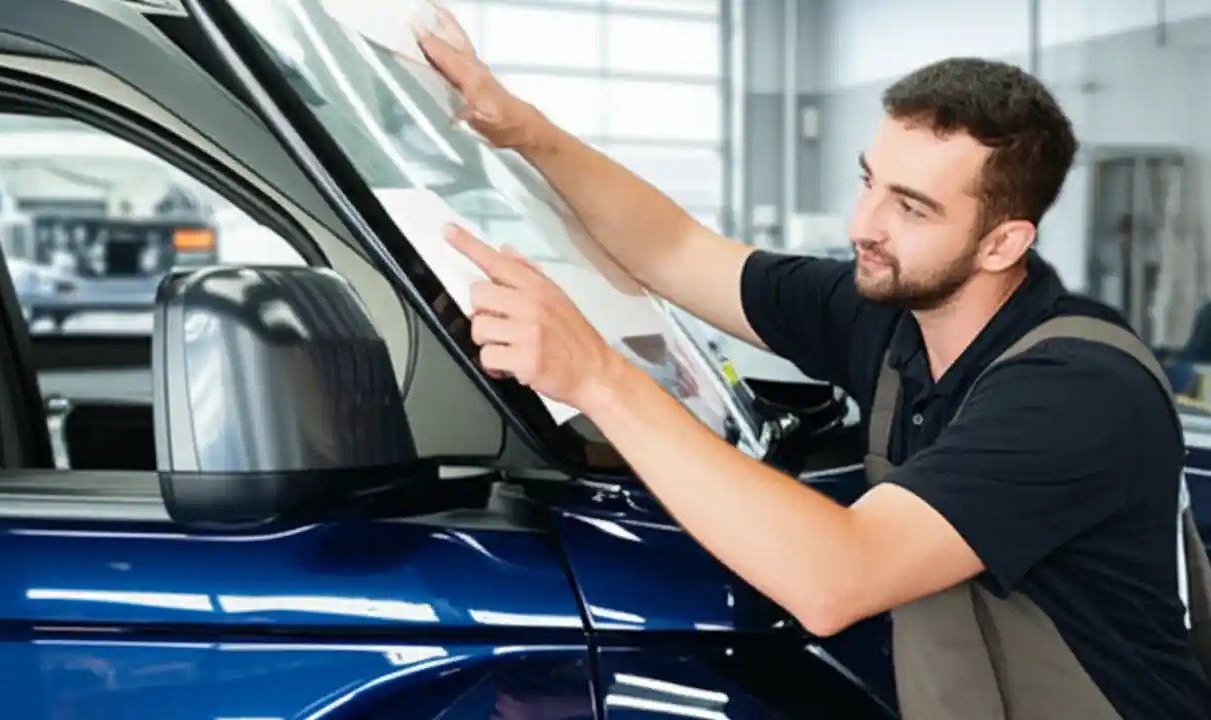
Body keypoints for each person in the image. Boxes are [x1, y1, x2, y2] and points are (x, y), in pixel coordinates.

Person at [416, 8, 1211, 719]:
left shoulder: (1073, 391)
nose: (863, 224)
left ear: (1005, 243)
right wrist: (523, 129)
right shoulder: (889, 313)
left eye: (911, 206)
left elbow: (838, 577)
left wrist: (595, 374)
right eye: (871, 182)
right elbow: (677, 250)